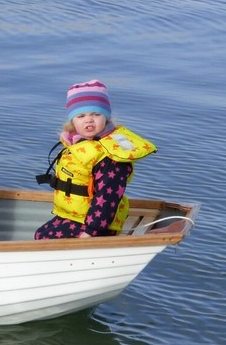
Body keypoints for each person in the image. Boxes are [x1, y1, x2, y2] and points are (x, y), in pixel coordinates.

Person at [34, 80, 157, 239]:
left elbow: (107, 197)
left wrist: (90, 232)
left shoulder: (110, 156)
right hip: (76, 216)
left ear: (106, 118)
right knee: (40, 234)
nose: (89, 120)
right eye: (81, 116)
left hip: (98, 225)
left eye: (96, 114)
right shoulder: (79, 145)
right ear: (73, 121)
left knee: (45, 239)